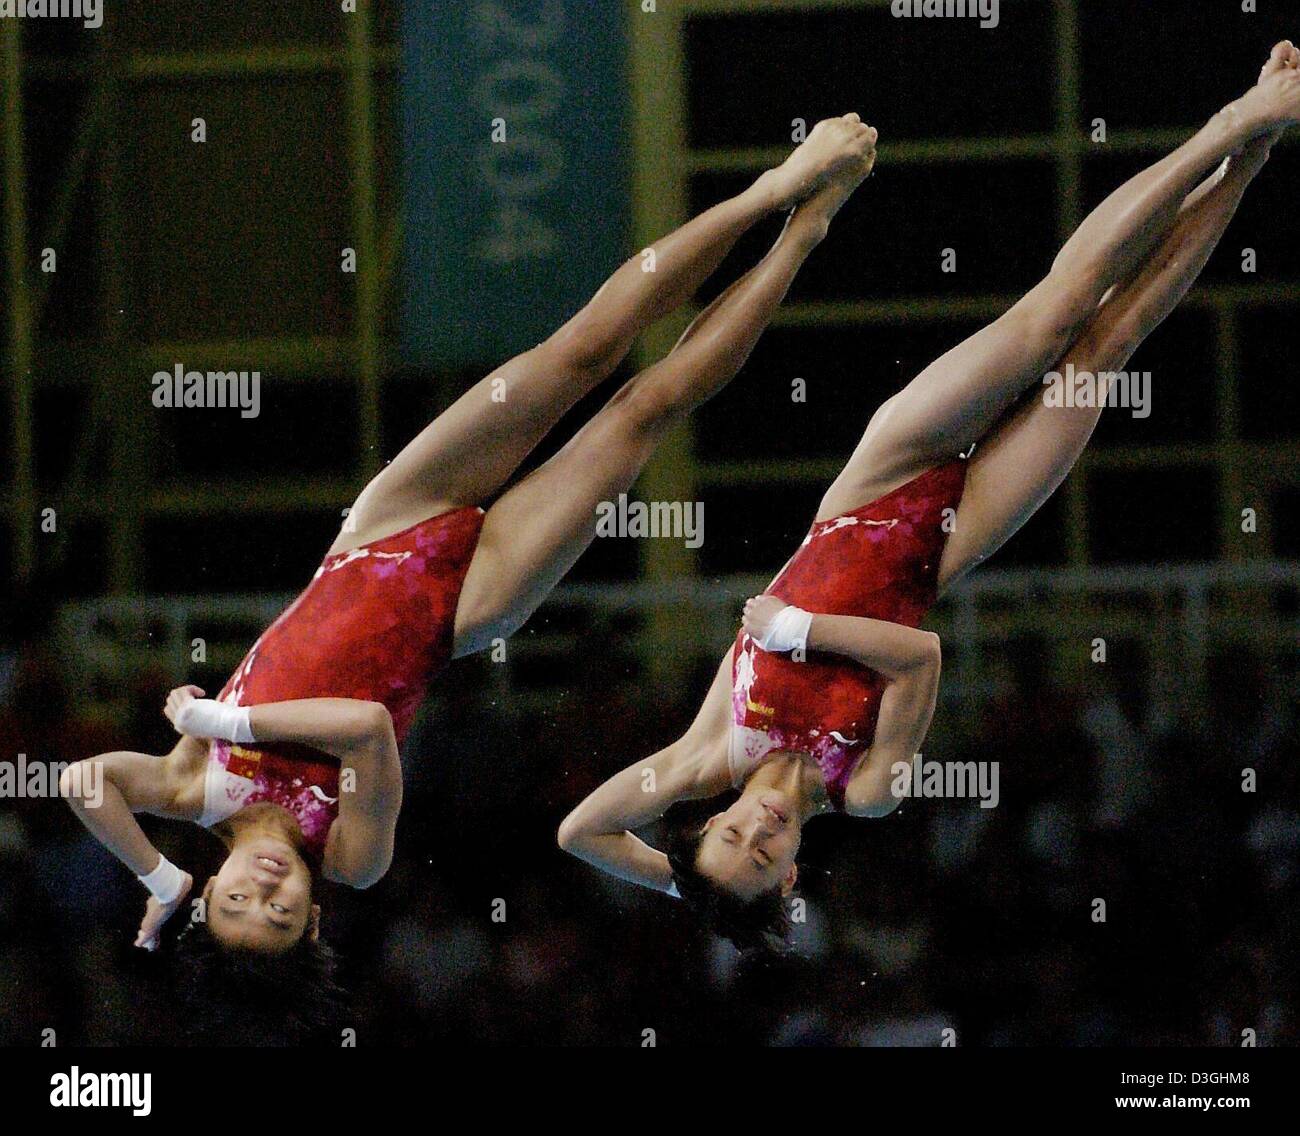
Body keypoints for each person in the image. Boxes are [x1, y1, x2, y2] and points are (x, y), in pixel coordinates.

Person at [58, 115, 879, 960]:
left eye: (235, 901)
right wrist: (221, 721)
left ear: (213, 887)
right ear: (311, 920)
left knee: (583, 350)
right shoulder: (353, 858)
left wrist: (162, 879)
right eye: (278, 914)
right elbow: (366, 730)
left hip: (383, 531)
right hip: (462, 607)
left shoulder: (188, 788)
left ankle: (774, 190)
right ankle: (802, 236)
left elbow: (81, 783)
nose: (263, 889)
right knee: (643, 410)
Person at [558, 43, 1300, 950]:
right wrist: (799, 634)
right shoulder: (866, 792)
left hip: (872, 487)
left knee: (1053, 314)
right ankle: (1255, 155)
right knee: (1107, 345)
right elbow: (921, 656)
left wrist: (689, 889)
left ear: (706, 824)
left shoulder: (707, 754)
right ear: (790, 874)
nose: (755, 833)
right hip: (945, 546)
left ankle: (1229, 125)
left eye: (729, 839)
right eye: (761, 860)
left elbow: (579, 833)